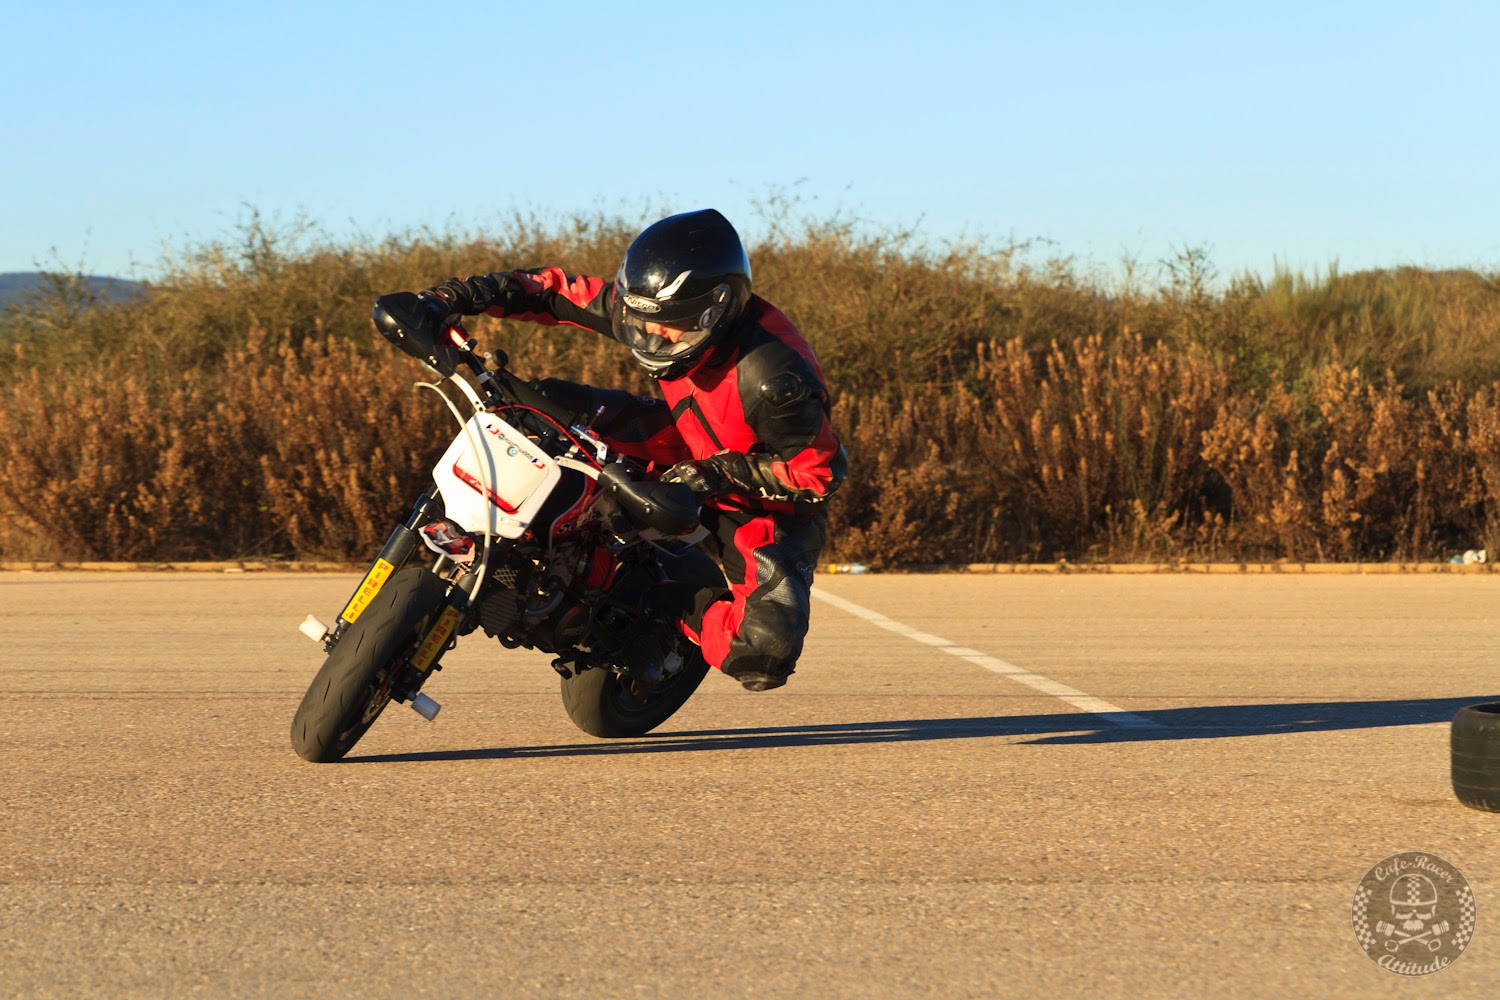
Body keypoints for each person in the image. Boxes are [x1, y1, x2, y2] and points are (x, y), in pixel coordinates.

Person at [416, 209, 846, 691]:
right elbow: (554, 290)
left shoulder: (775, 379)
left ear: (716, 311)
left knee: (763, 655)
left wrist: (712, 477)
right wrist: (451, 298)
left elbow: (819, 474)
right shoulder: (653, 312)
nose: (649, 335)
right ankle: (523, 542)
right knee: (539, 404)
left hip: (758, 505)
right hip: (680, 441)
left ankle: (666, 605)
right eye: (640, 320)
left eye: (670, 325)